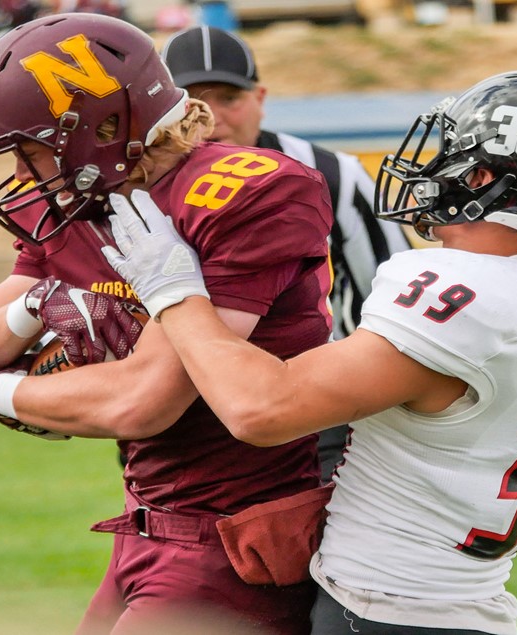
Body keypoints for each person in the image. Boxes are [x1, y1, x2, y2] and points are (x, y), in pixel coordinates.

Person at [103, 70, 517, 635]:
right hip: (463, 598)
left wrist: (175, 292)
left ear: (488, 180)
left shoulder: (464, 297)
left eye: (456, 158)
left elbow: (259, 409)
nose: (435, 170)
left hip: (385, 608)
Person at [0, 14, 335, 635]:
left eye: (31, 149)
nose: (21, 173)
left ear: (105, 127)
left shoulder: (247, 193)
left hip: (238, 534)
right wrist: (38, 302)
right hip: (142, 525)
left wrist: (5, 392)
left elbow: (144, 402)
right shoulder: (84, 204)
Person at [160, 24, 413, 482]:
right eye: (190, 100)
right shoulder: (138, 187)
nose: (211, 116)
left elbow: (390, 294)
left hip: (312, 411)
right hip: (176, 411)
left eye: (228, 98)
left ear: (260, 96)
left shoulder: (335, 175)